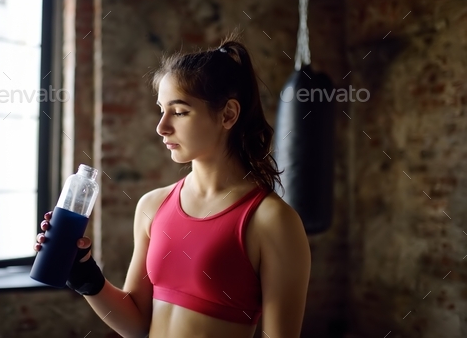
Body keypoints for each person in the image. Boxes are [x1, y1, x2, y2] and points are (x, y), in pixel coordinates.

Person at [34, 33, 311, 338]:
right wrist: (85, 276)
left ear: (228, 114)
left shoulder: (271, 220)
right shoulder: (152, 206)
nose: (161, 126)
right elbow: (138, 325)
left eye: (179, 112)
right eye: (161, 109)